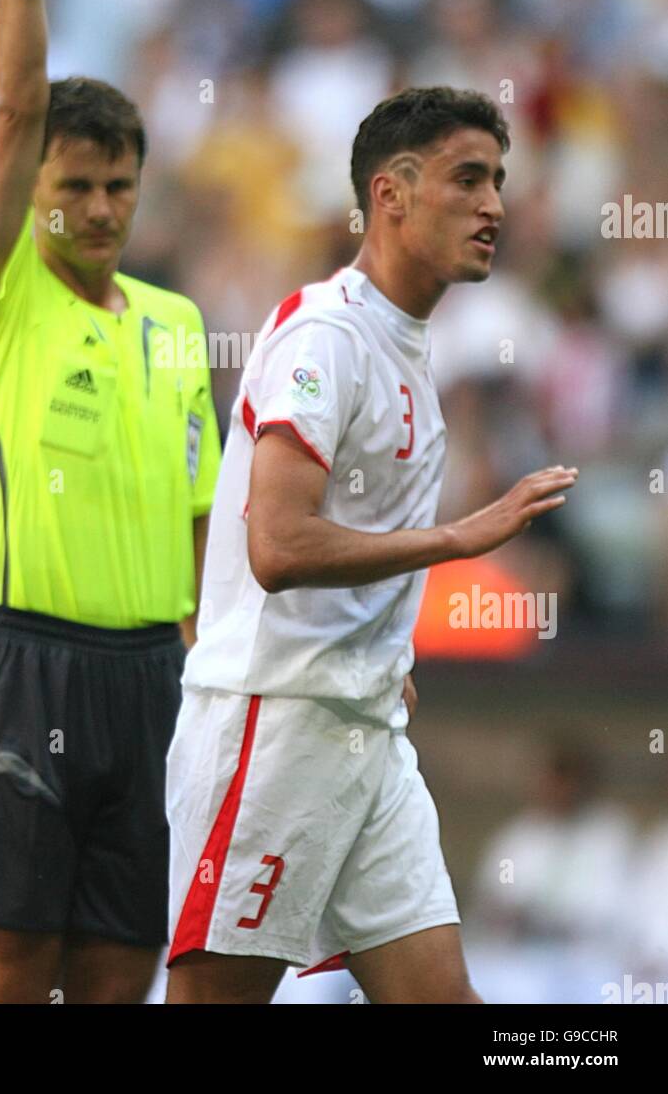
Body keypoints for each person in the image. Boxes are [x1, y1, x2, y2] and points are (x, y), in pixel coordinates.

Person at [165, 85, 579, 1004]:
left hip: (364, 728)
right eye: (467, 178)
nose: (494, 205)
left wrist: (383, 643)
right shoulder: (325, 336)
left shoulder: (408, 350)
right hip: (271, 722)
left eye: (499, 181)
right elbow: (275, 544)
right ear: (389, 194)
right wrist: (458, 539)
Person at [0, 0, 221, 1004]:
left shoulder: (178, 322)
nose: (98, 207)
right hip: (21, 667)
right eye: (74, 186)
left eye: (117, 185)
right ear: (33, 186)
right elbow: (12, 104)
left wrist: (215, 665)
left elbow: (207, 527)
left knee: (120, 973)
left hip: (155, 680)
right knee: (8, 975)